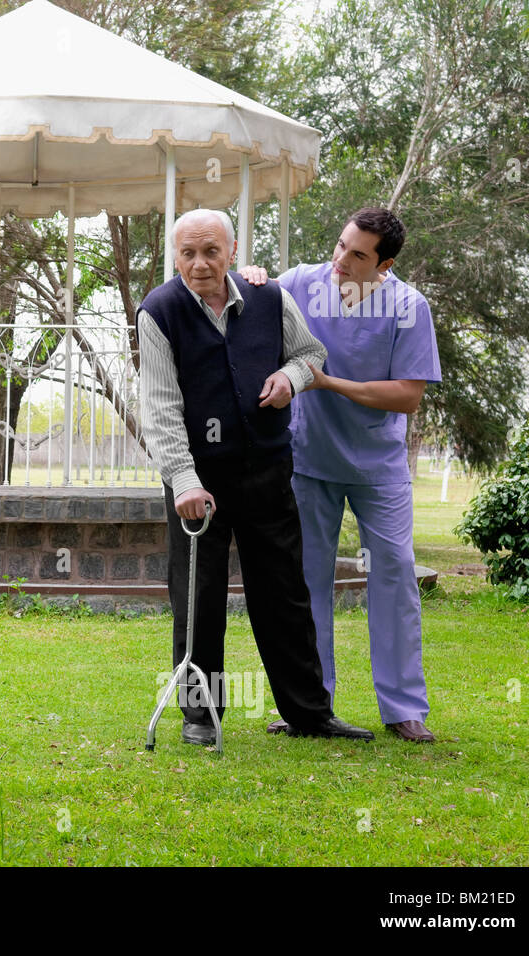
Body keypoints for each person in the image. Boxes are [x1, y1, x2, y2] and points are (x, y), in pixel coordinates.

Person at [137, 208, 374, 745]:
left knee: (284, 595)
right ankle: (201, 715)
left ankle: (309, 714)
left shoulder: (269, 298)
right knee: (199, 599)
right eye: (188, 253)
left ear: (233, 250)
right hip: (199, 480)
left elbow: (311, 353)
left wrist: (291, 378)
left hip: (267, 471)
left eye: (211, 252)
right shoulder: (158, 312)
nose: (199, 264)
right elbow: (160, 406)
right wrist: (184, 479)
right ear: (175, 256)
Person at [239, 207, 442, 743]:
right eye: (340, 245)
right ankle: (309, 704)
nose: (342, 261)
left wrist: (330, 384)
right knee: (304, 583)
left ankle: (403, 708)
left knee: (394, 576)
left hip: (378, 469)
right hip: (309, 462)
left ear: (385, 264)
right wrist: (255, 277)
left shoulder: (407, 307)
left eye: (358, 255)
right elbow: (252, 297)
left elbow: (409, 396)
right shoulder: (305, 283)